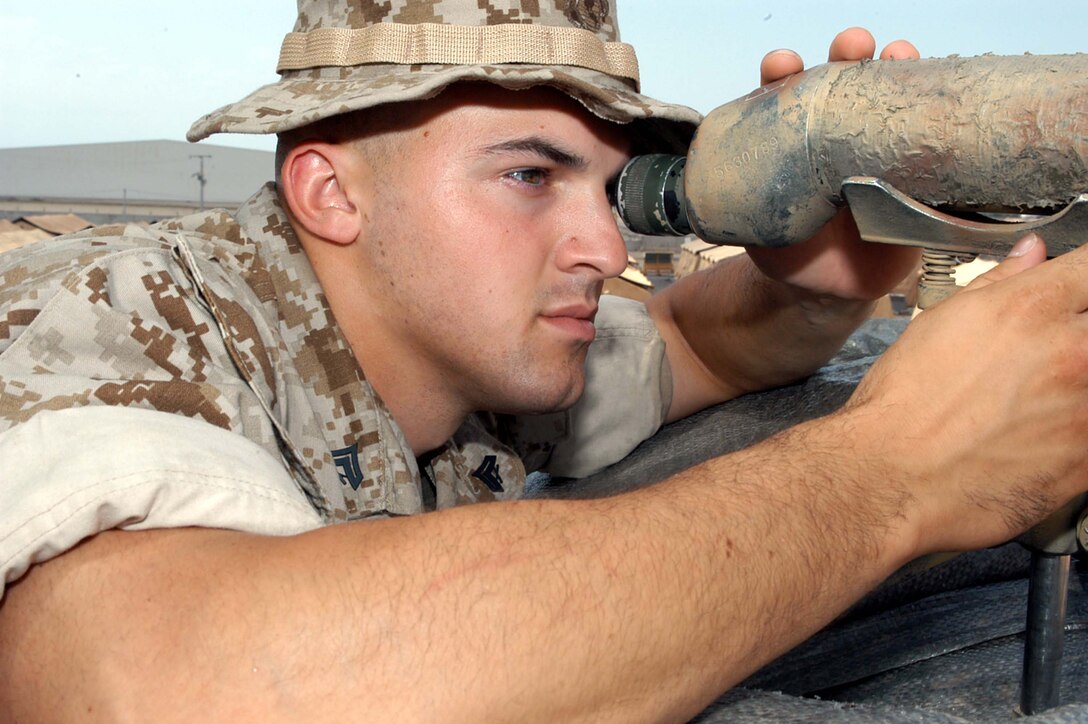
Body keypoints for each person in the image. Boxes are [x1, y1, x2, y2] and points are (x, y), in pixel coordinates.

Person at [1, 1, 1086, 720]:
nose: (608, 250)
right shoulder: (114, 307)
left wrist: (815, 283)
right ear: (331, 192)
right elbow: (147, 689)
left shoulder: (461, 346)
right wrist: (889, 474)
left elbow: (686, 342)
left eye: (608, 189)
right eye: (529, 175)